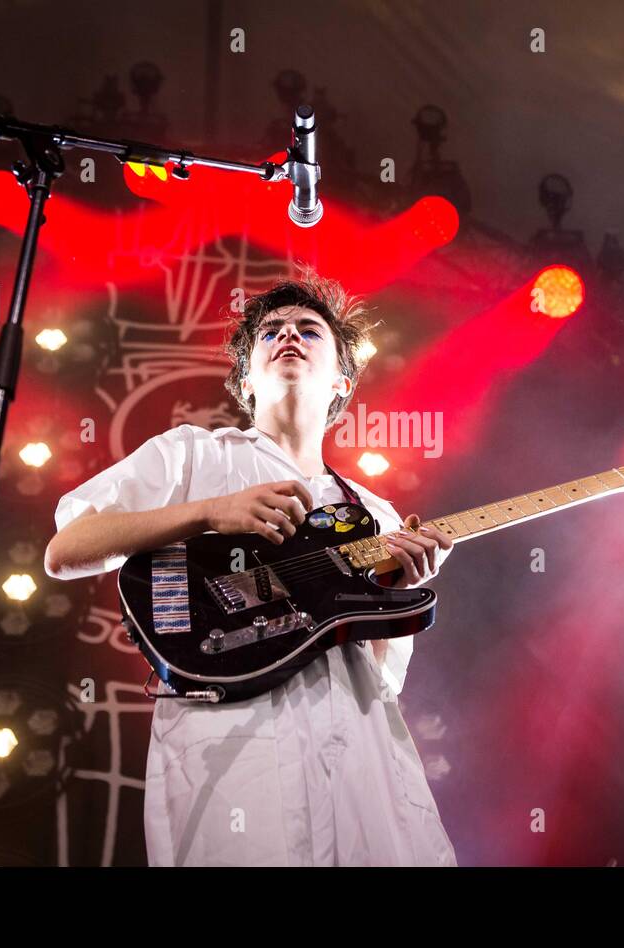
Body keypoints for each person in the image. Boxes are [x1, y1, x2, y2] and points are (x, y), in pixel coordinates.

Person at [44, 270, 458, 866]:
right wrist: (211, 511)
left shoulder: (375, 513)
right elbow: (67, 549)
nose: (289, 334)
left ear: (342, 378)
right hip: (234, 750)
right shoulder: (192, 452)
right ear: (245, 378)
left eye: (310, 330)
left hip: (359, 762)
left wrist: (397, 585)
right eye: (270, 332)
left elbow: (376, 678)